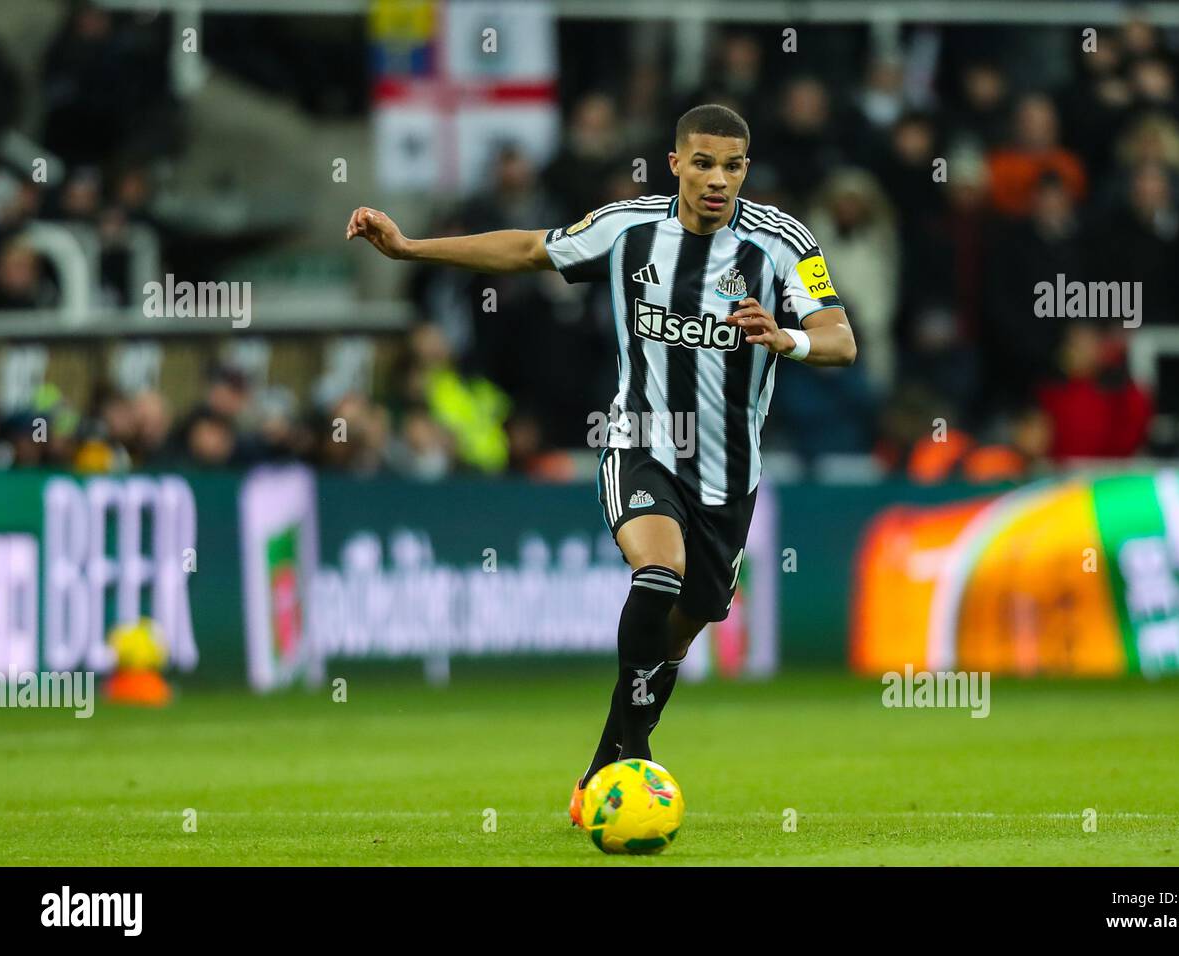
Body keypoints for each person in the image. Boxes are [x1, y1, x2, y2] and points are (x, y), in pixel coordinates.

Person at [346, 103, 857, 827]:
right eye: (703, 162)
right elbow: (527, 249)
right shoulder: (627, 227)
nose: (717, 180)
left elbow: (841, 340)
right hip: (641, 442)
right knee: (657, 571)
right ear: (675, 162)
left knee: (687, 624)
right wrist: (410, 249)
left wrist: (787, 338)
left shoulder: (782, 242)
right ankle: (627, 761)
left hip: (728, 474)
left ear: (746, 169)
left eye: (732, 166)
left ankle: (608, 761)